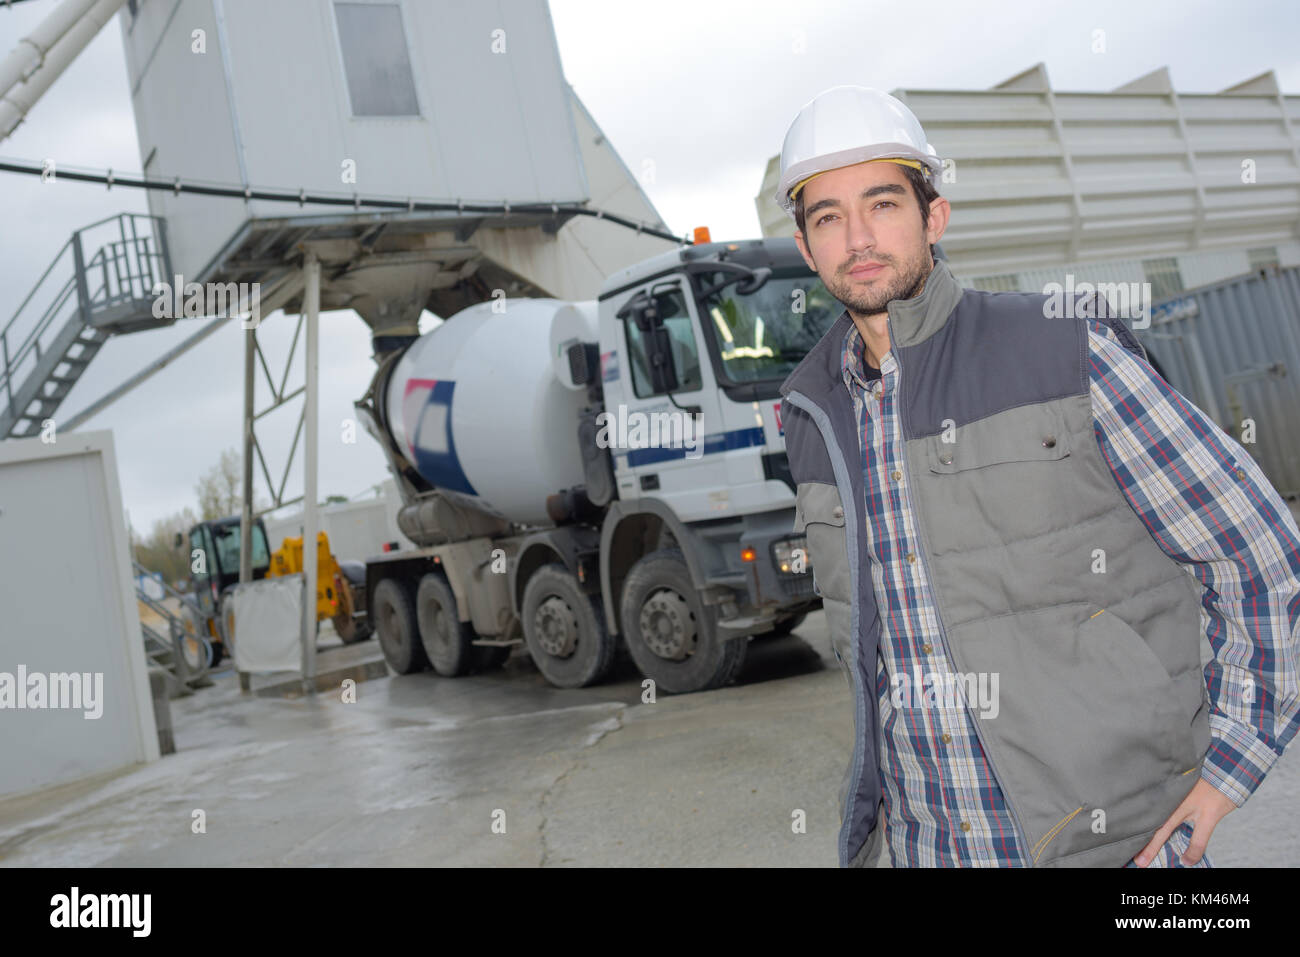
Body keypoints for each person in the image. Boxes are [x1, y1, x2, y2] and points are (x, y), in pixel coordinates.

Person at [775, 85, 1300, 868]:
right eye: (827, 216)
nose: (857, 236)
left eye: (882, 203)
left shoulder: (1061, 350)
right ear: (805, 245)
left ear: (934, 216)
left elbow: (1260, 554)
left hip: (1112, 844)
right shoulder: (811, 416)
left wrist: (1231, 762)